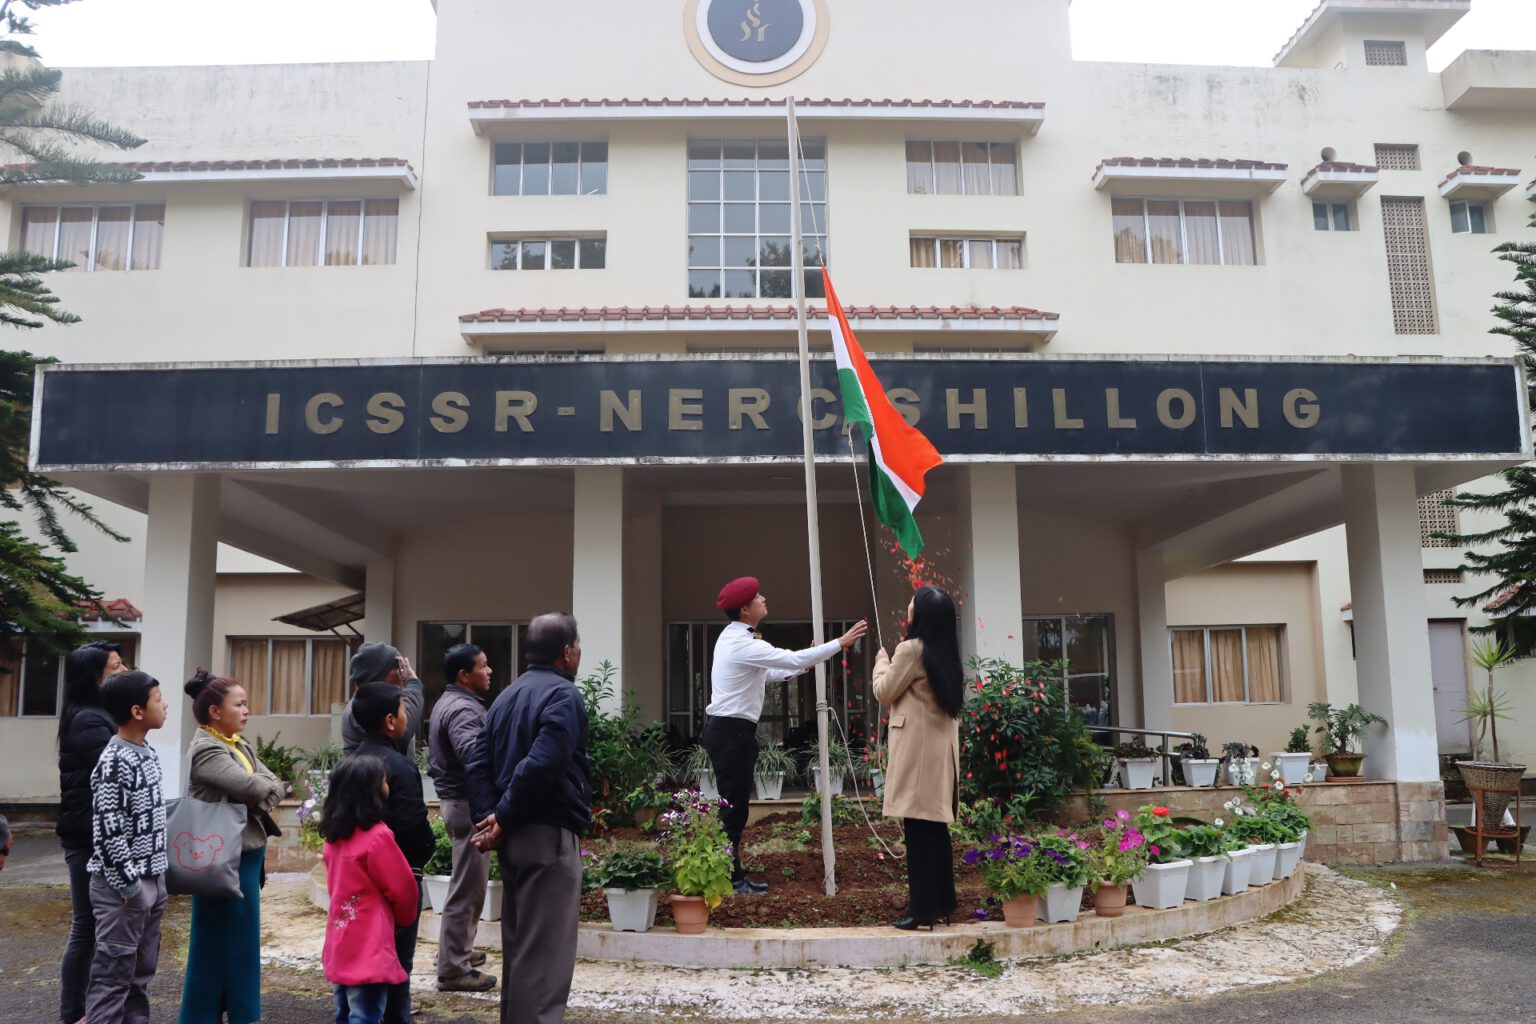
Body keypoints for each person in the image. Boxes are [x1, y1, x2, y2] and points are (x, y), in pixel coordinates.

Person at [705, 576, 866, 894]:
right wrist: (839, 643)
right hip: (731, 732)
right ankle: (729, 878)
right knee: (733, 809)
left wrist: (807, 662)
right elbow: (789, 659)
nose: (763, 598)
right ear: (745, 608)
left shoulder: (734, 639)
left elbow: (774, 672)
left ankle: (731, 874)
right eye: (757, 596)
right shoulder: (742, 643)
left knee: (735, 807)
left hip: (729, 731)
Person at [466, 612, 590, 1024]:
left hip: (513, 835)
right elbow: (543, 763)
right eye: (578, 647)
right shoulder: (563, 696)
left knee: (520, 946)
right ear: (567, 652)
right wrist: (501, 815)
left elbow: (478, 762)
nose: (579, 654)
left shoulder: (506, 696)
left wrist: (492, 818)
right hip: (546, 833)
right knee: (546, 953)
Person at [178, 669, 289, 1024]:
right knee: (223, 944)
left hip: (246, 855)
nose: (246, 711)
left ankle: (226, 1012)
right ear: (215, 711)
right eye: (239, 704)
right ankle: (220, 1014)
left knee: (239, 942)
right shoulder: (206, 750)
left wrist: (264, 787)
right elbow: (257, 788)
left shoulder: (238, 744)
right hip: (221, 858)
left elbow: (275, 783)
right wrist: (264, 788)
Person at [873, 585, 963, 931]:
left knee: (918, 833)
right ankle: (942, 905)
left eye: (914, 603)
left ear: (921, 615)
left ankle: (923, 910)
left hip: (919, 756)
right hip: (939, 755)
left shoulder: (910, 650)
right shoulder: (946, 651)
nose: (908, 605)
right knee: (935, 831)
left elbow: (884, 692)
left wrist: (881, 663)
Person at [85, 670, 170, 1024]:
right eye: (158, 699)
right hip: (122, 889)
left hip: (151, 880)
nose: (165, 705)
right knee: (112, 977)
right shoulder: (115, 759)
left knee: (139, 976)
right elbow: (107, 830)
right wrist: (130, 886)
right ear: (137, 711)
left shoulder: (145, 751)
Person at [352, 681, 434, 1024]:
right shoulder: (398, 766)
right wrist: (426, 851)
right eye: (403, 710)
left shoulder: (354, 760)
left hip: (358, 881)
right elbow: (414, 826)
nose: (406, 717)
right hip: (397, 878)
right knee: (398, 964)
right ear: (389, 721)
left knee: (364, 963)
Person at [321, 754, 421, 1024]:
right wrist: (404, 920)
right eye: (385, 781)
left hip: (340, 937)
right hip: (370, 943)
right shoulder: (378, 836)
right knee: (366, 1014)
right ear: (372, 790)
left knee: (344, 1011)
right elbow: (403, 889)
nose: (388, 785)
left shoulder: (333, 838)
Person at [55, 640, 123, 1024]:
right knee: (86, 928)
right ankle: (74, 1014)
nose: (123, 671)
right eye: (115, 668)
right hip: (86, 837)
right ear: (95, 678)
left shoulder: (97, 714)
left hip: (91, 834)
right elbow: (115, 773)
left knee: (94, 929)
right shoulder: (89, 720)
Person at [427, 643, 496, 993]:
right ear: (463, 675)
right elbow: (474, 757)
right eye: (482, 667)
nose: (489, 671)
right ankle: (453, 969)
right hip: (468, 806)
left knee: (469, 885)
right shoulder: (462, 711)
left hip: (461, 803)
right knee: (466, 890)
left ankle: (459, 953)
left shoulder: (452, 702)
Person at [341, 642, 424, 757]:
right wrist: (413, 684)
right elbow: (402, 732)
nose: (402, 674)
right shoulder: (364, 707)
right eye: (398, 669)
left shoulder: (366, 701)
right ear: (379, 675)